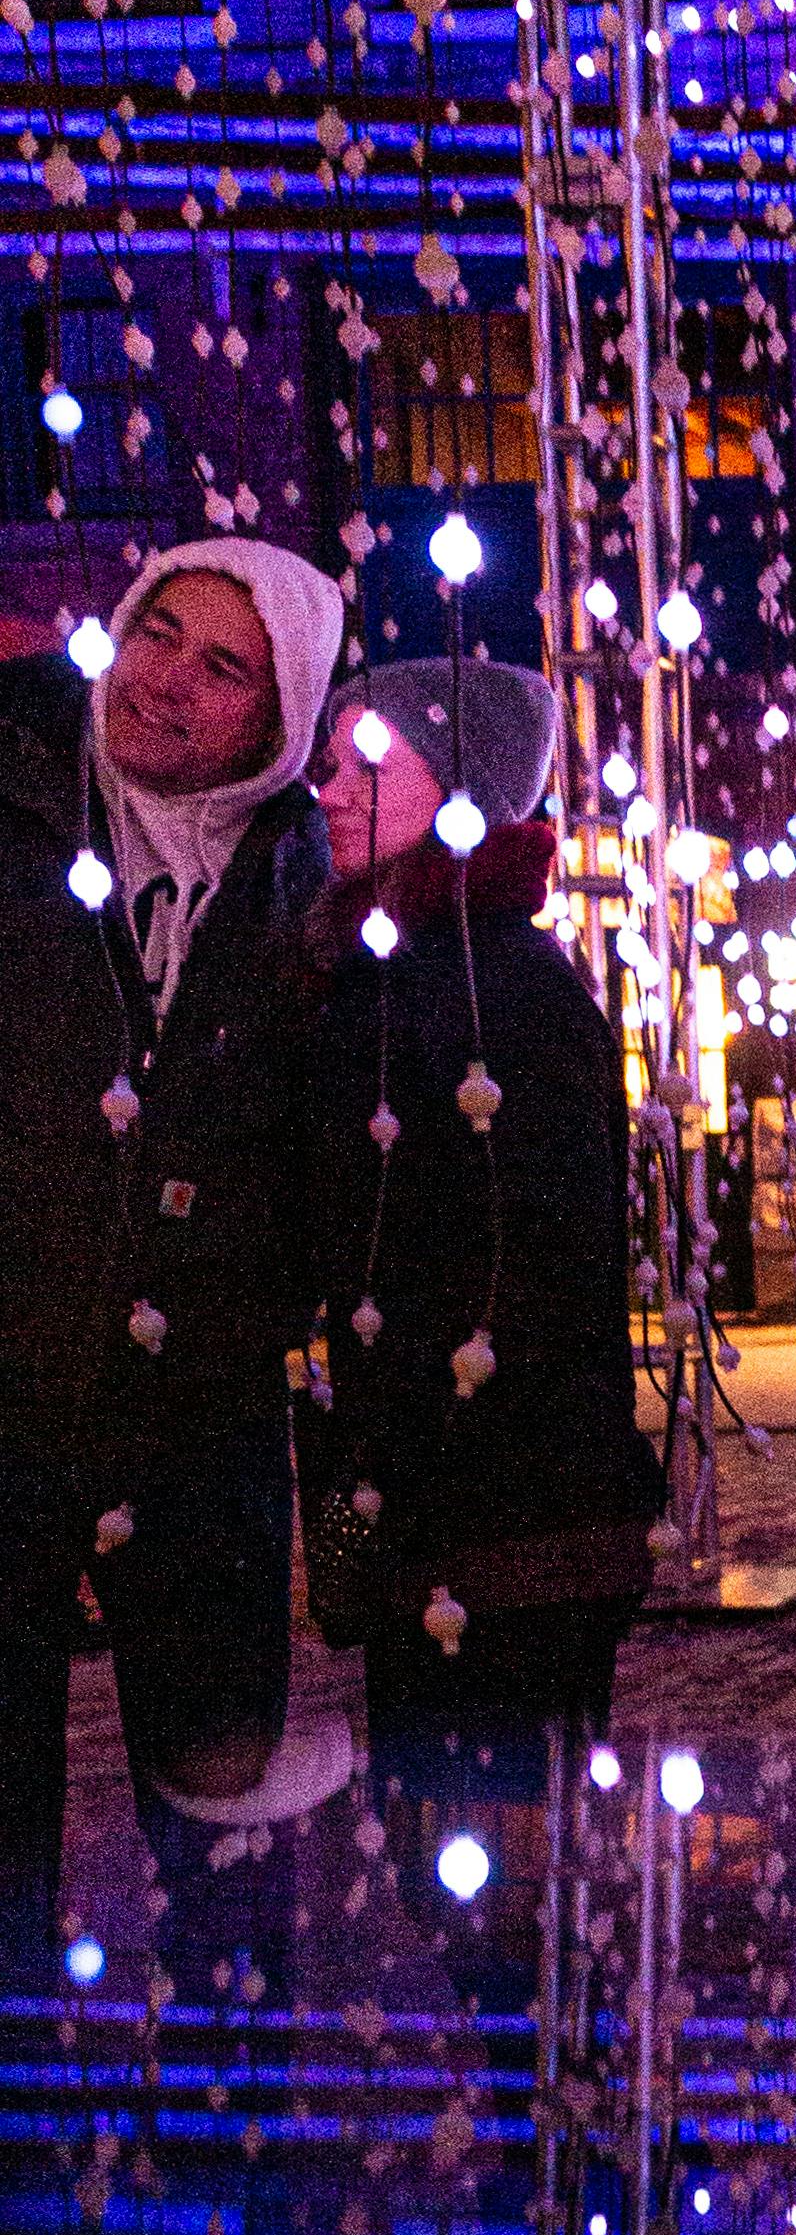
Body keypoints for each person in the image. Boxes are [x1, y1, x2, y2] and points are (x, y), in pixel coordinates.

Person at [0, 532, 349, 1973]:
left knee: (224, 1838)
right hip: (7, 1405)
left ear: (279, 717)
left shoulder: (302, 897)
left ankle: (235, 2140)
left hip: (200, 1430)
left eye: (225, 665)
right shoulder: (18, 805)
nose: (169, 681)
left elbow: (317, 1164)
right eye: (160, 630)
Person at [305, 655, 661, 1837]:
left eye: (370, 763)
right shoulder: (397, 968)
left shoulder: (487, 987)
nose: (331, 787)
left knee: (498, 1859)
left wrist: (395, 1452)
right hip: (461, 1505)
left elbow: (518, 1273)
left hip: (504, 1514)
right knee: (486, 1858)